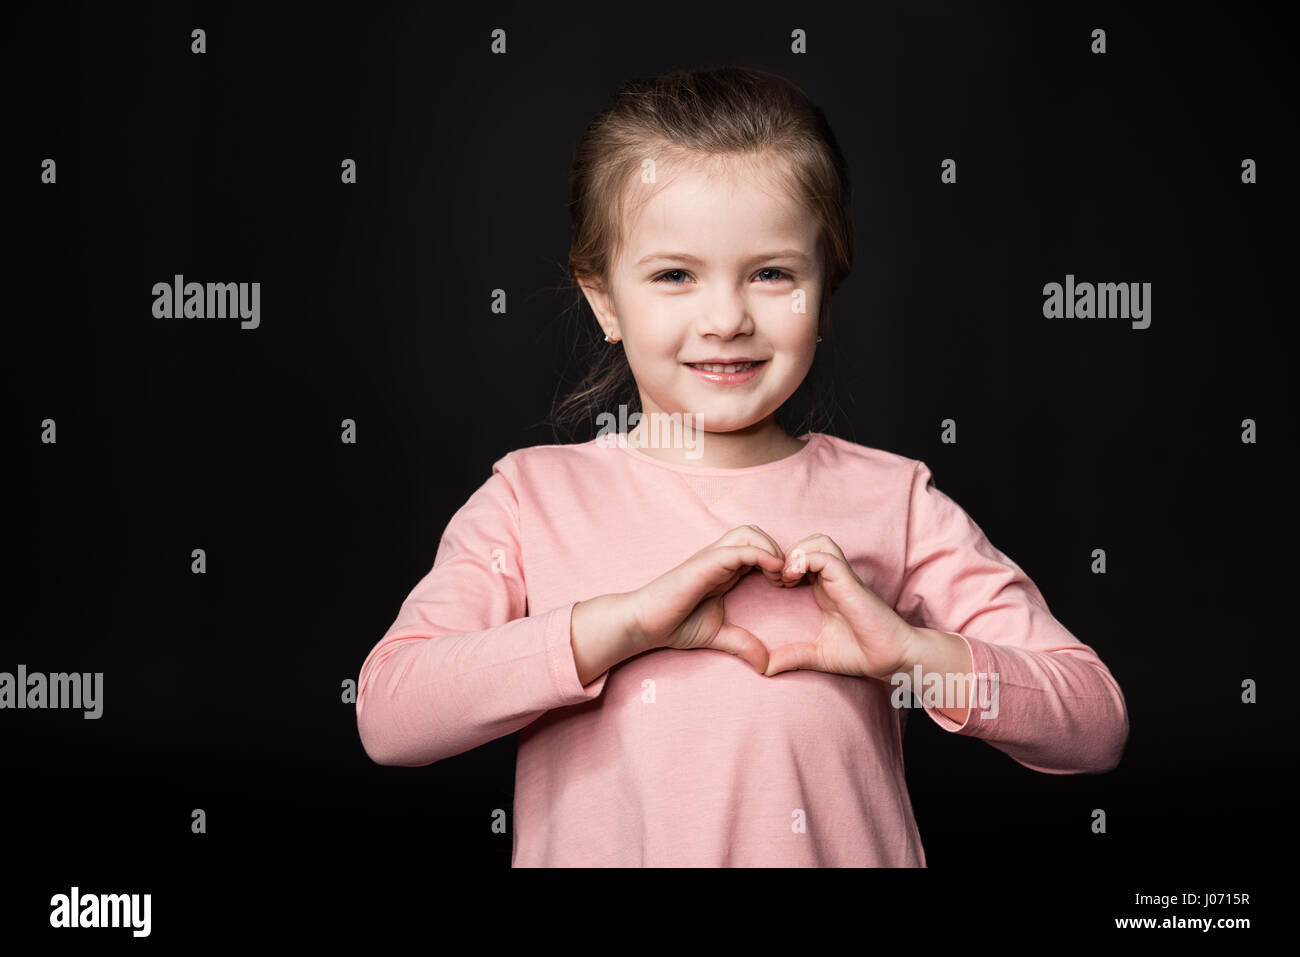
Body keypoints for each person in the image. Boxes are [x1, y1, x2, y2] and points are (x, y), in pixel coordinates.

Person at [355, 65, 1129, 867]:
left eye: (772, 274)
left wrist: (910, 656)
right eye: (674, 276)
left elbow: (1096, 724)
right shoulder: (530, 497)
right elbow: (390, 716)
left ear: (824, 295)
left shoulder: (895, 500)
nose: (726, 318)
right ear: (605, 301)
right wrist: (620, 625)